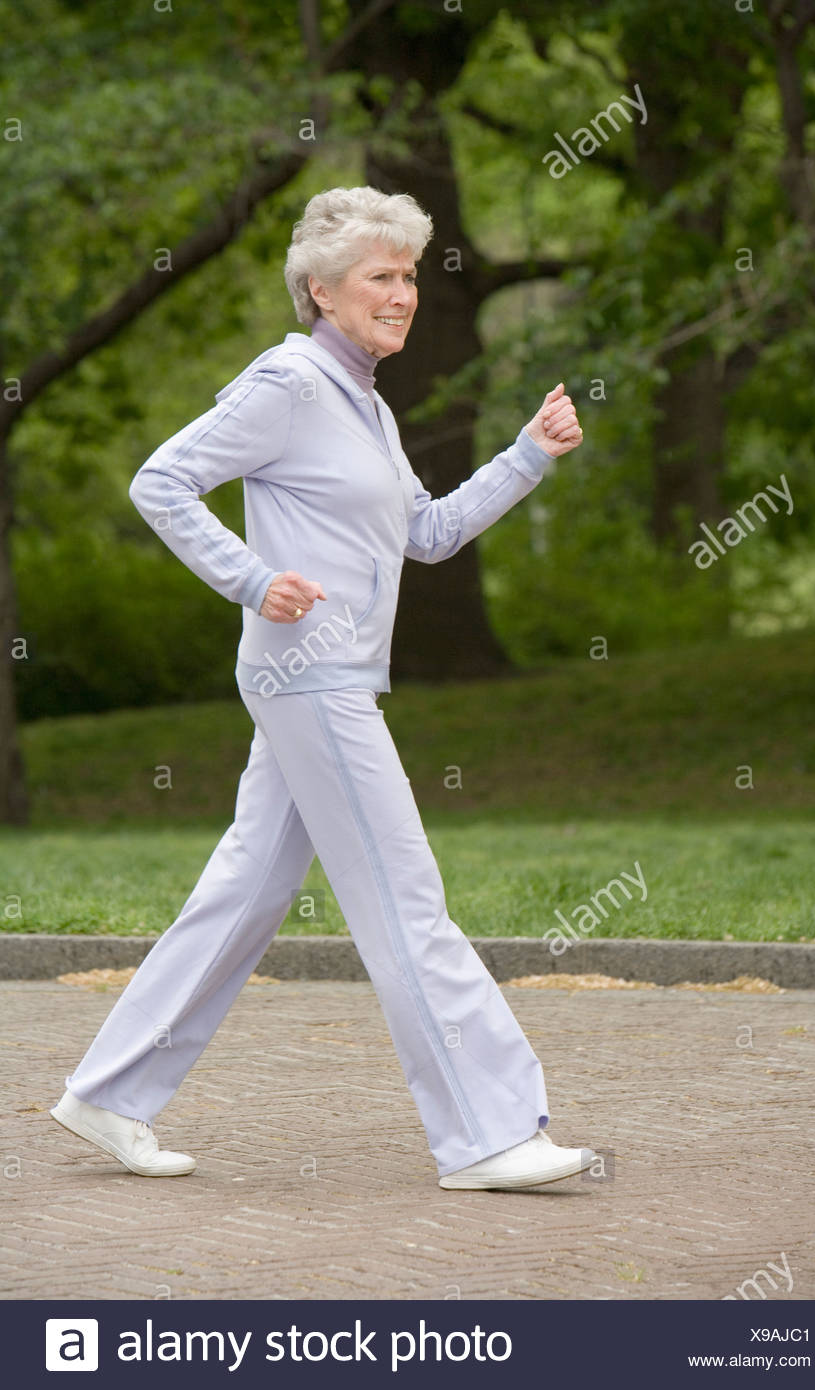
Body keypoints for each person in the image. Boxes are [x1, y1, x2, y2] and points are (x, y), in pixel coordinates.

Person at [51, 185, 594, 1191]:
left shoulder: (365, 402)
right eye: (380, 277)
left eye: (410, 276)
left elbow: (422, 535)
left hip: (329, 676)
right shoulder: (289, 381)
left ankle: (107, 1093)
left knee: (242, 896)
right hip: (309, 678)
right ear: (321, 291)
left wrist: (527, 456)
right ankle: (488, 1134)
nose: (402, 295)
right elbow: (159, 480)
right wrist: (254, 579)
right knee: (403, 897)